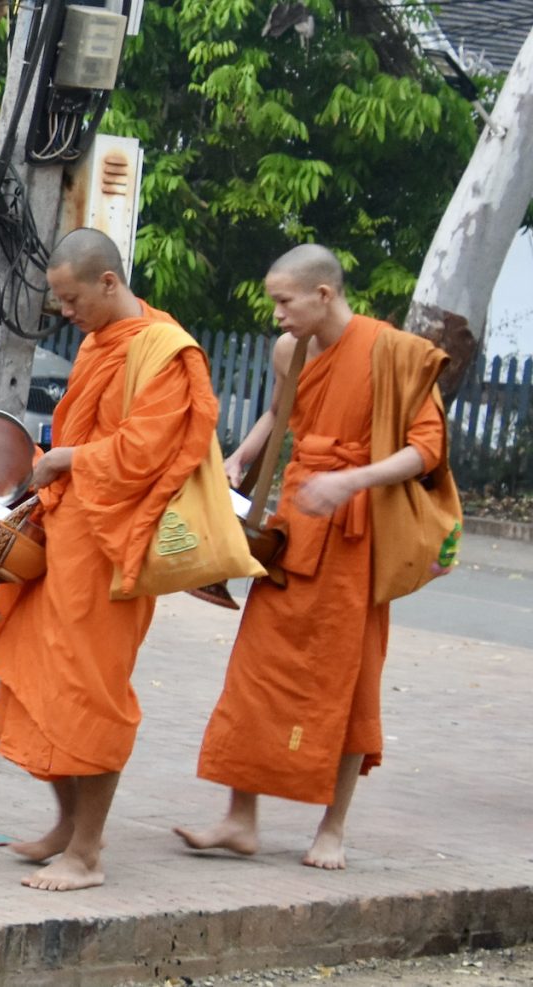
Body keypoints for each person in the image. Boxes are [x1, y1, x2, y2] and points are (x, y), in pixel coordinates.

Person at [0, 229, 220, 892]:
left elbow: (144, 454)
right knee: (40, 682)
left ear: (108, 282)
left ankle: (86, 853)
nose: (65, 312)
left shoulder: (165, 353)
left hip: (115, 549)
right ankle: (65, 827)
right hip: (66, 533)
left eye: (71, 297)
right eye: (59, 300)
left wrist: (67, 460)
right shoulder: (97, 341)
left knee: (92, 693)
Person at [176, 245, 455, 869]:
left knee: (349, 683)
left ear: (323, 295)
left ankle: (332, 829)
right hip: (297, 527)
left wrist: (353, 482)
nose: (277, 315)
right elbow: (281, 412)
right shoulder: (289, 352)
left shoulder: (393, 354)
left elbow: (427, 450)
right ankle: (238, 819)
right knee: (256, 673)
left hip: (358, 538)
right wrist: (243, 455)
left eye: (284, 301)